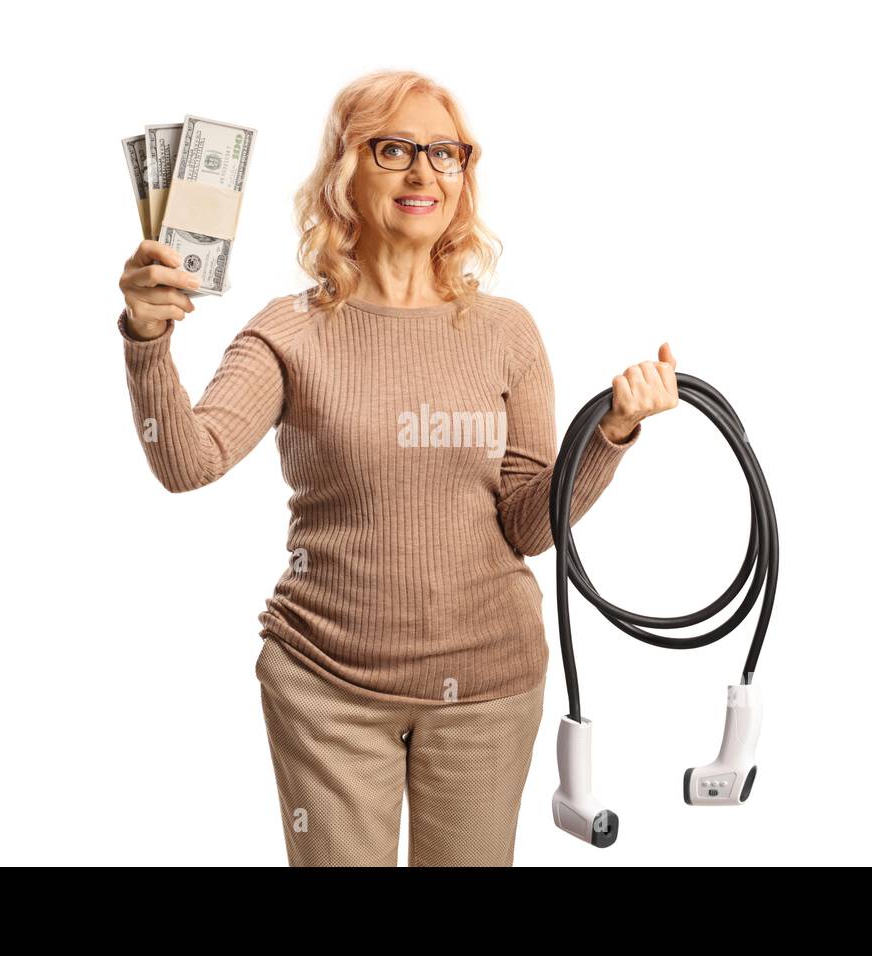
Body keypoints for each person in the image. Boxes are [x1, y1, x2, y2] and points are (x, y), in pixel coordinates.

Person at [115, 69, 679, 866]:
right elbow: (188, 461)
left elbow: (527, 521)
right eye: (396, 149)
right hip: (327, 690)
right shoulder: (291, 332)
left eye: (446, 153)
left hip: (487, 689)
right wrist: (147, 341)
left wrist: (612, 431)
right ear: (346, 171)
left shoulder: (507, 332)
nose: (425, 172)